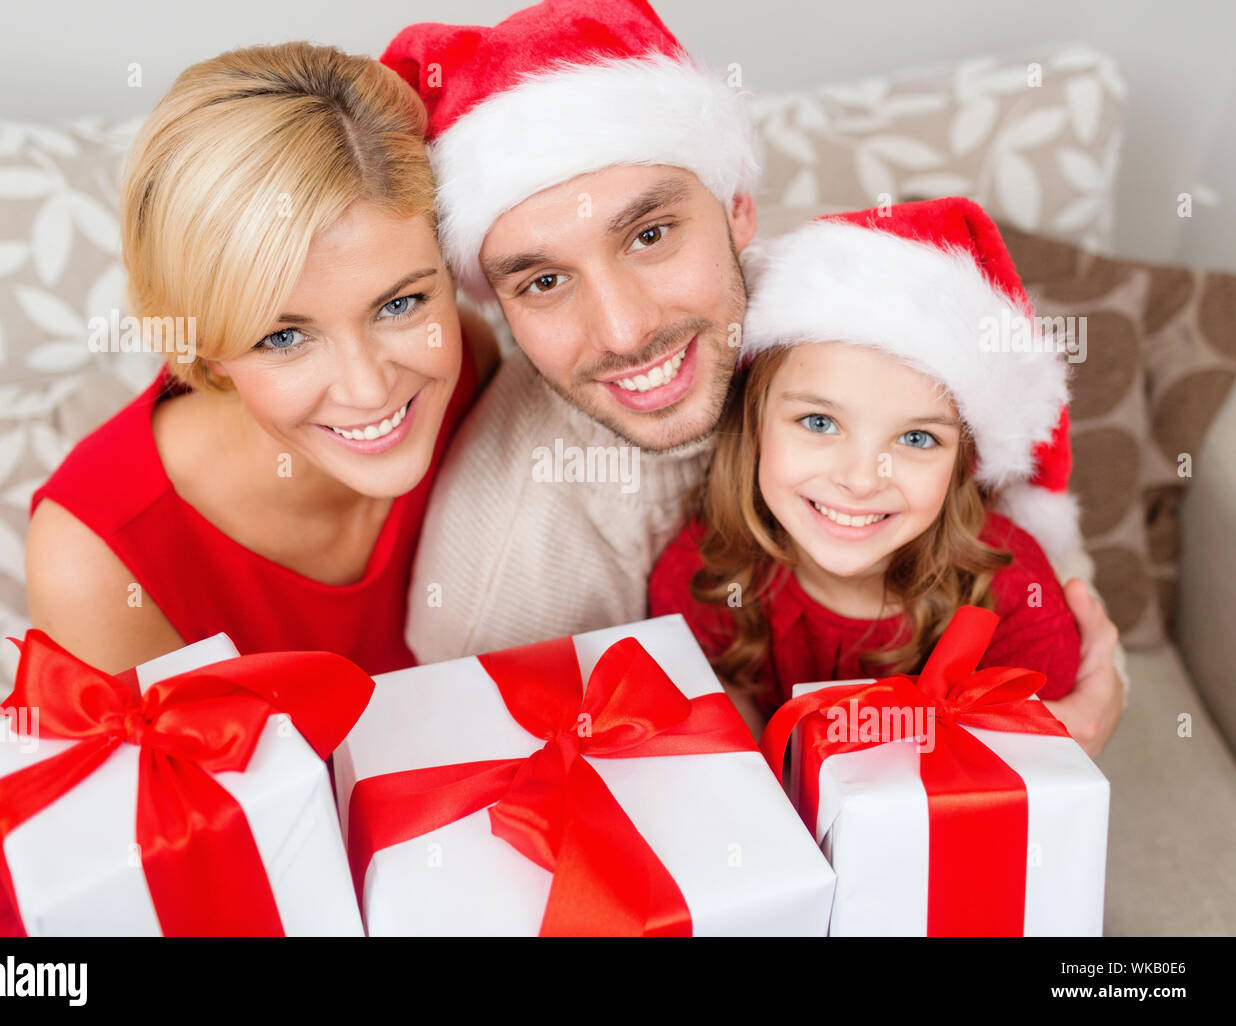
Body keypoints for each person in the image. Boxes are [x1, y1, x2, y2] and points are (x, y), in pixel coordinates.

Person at [389, 0, 1125, 757]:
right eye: (543, 281)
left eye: (649, 235)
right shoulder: (508, 575)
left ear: (740, 211)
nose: (624, 332)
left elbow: (1025, 534)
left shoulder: (862, 285)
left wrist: (1086, 690)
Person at [0, 40, 498, 936]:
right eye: (284, 337)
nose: (367, 387)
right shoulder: (102, 555)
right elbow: (181, 883)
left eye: (401, 304)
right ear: (205, 352)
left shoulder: (472, 364)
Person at [649, 198, 1082, 735]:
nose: (859, 479)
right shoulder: (703, 573)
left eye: (917, 437)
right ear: (755, 422)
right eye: (819, 423)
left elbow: (1035, 788)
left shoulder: (1016, 599)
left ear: (963, 464)